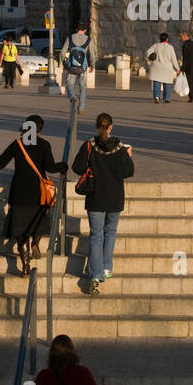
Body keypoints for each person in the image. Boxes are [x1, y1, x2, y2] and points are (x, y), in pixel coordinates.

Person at [0, 114, 69, 273]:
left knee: (21, 230)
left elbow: (1, 161)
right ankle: (36, 241)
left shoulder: (18, 144)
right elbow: (50, 167)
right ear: (40, 129)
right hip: (38, 193)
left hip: (20, 192)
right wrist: (63, 166)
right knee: (39, 221)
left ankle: (25, 265)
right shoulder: (44, 144)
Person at [70, 113, 134, 296]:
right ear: (111, 127)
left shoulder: (89, 145)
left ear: (97, 126)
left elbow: (77, 168)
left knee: (96, 235)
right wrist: (128, 155)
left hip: (96, 197)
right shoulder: (120, 147)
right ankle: (106, 267)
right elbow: (128, 171)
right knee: (110, 232)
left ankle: (95, 275)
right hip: (115, 197)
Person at [60, 23, 95, 113]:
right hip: (83, 67)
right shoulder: (88, 39)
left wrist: (64, 62)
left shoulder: (70, 38)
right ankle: (81, 108)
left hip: (72, 66)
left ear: (76, 30)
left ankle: (72, 97)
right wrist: (92, 66)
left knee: (69, 85)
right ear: (85, 30)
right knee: (83, 87)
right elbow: (92, 55)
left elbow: (62, 52)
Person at [144, 32, 181, 103]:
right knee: (167, 83)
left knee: (156, 83)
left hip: (156, 67)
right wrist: (177, 69)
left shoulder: (156, 46)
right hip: (167, 68)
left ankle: (157, 97)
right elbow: (173, 59)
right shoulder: (170, 47)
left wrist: (151, 57)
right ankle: (166, 98)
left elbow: (148, 51)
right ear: (167, 39)